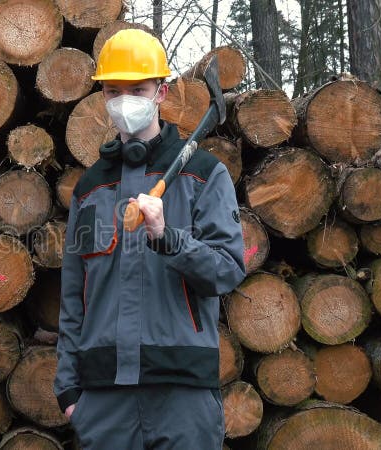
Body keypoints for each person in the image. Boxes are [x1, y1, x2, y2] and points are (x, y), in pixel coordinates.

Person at [54, 29, 246, 449]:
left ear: (160, 92)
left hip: (182, 396)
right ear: (102, 96)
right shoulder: (90, 188)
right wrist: (69, 393)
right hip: (104, 401)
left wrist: (167, 237)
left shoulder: (203, 175)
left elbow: (227, 271)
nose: (126, 100)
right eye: (114, 91)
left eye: (137, 89)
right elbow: (74, 296)